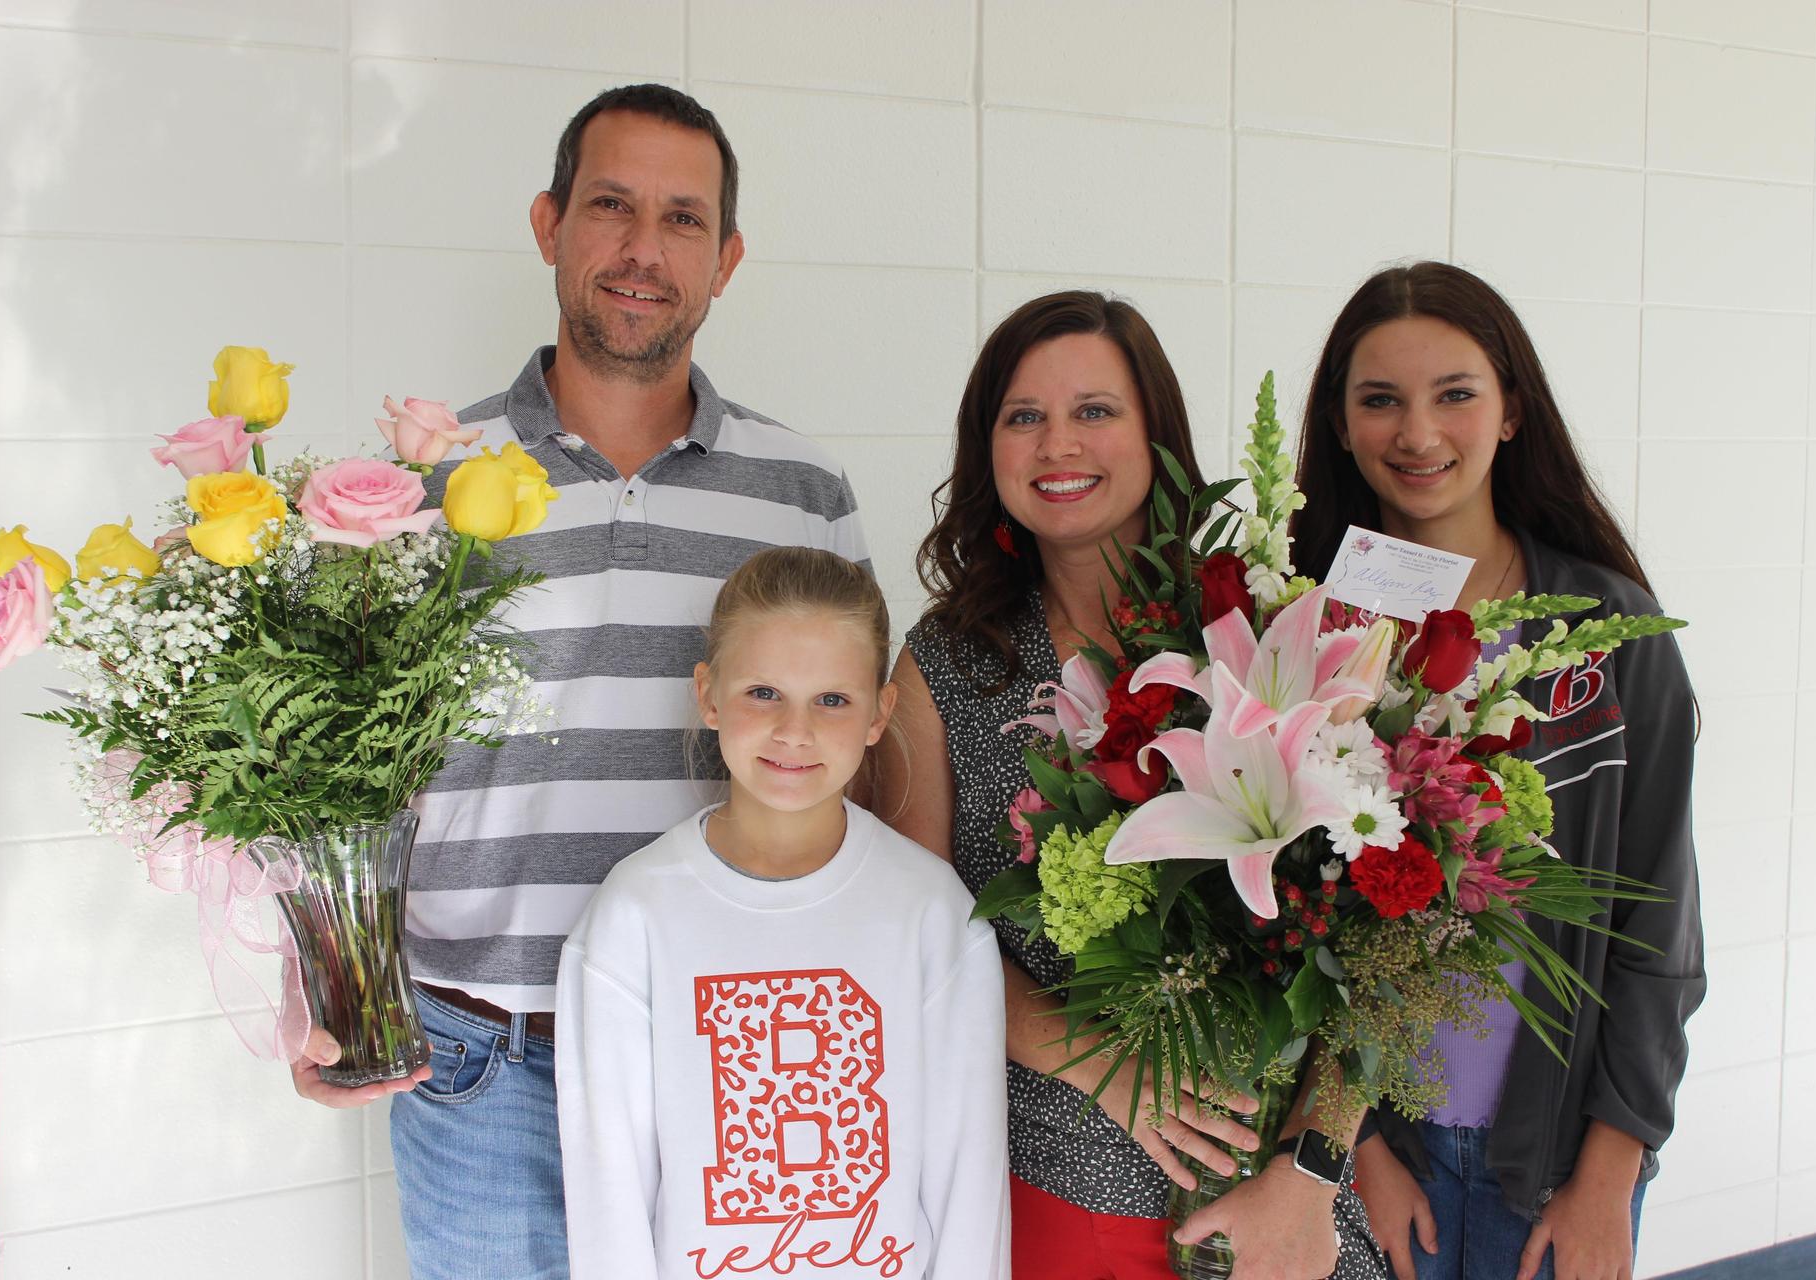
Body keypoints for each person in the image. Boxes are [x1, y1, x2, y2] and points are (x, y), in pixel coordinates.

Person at [288, 85, 869, 1280]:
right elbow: (329, 772)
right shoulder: (413, 486)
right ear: (549, 223)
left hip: (728, 1042)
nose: (644, 248)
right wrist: (315, 987)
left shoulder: (803, 492)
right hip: (483, 1064)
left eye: (683, 218)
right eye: (611, 205)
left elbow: (860, 761)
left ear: (728, 259)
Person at [876, 290, 1387, 1280]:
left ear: (1158, 434)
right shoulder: (942, 667)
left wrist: (1310, 1167)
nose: (1058, 444)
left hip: (1282, 1204)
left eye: (1095, 410)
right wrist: (1110, 1067)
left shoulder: (1263, 623)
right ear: (988, 448)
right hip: (1054, 1185)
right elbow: (918, 939)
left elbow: (1384, 943)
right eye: (1024, 416)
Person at [1290, 261, 1704, 1280]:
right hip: (1372, 1155)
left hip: (1556, 1168)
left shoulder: (1606, 633)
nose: (1418, 433)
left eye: (1455, 394)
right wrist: (1357, 1149)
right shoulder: (1302, 624)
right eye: (1379, 400)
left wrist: (1609, 1173)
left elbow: (1658, 926)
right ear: (1340, 424)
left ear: (1512, 410)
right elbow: (1277, 923)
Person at [555, 546, 1009, 1278]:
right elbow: (609, 1194)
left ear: (879, 713)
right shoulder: (634, 915)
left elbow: (970, 1189)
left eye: (832, 700)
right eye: (763, 692)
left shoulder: (931, 912)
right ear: (708, 696)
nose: (795, 731)